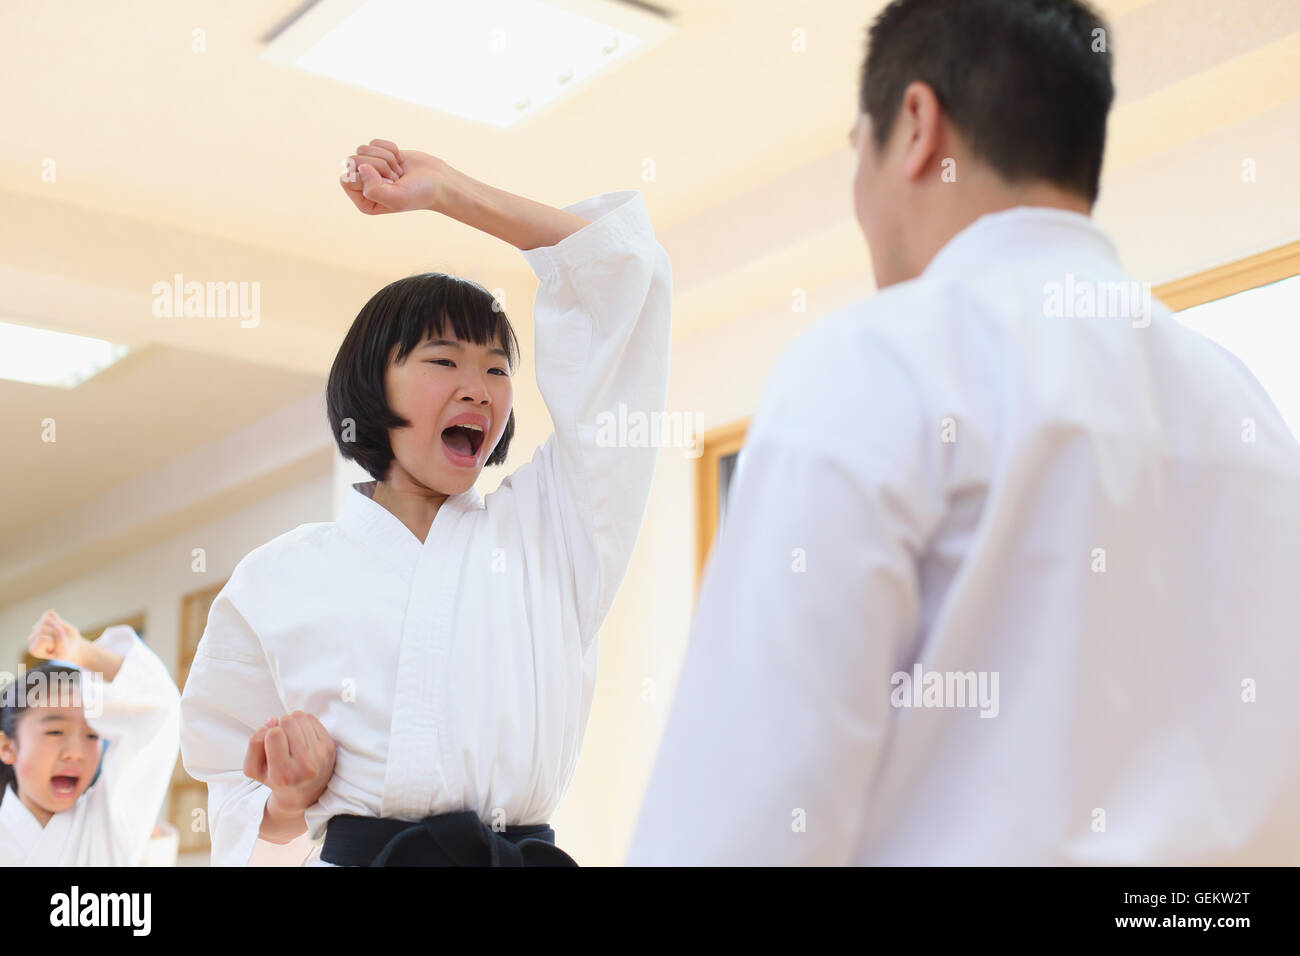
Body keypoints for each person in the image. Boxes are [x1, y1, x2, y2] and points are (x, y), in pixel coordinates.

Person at [628, 0, 1300, 865]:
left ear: (915, 126)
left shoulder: (874, 364)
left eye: (853, 153)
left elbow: (736, 827)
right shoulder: (1249, 415)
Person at [180, 139, 671, 866]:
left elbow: (623, 272)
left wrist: (450, 194)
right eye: (443, 360)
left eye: (497, 369)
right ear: (372, 389)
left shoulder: (554, 532)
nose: (479, 387)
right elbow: (235, 797)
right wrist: (288, 796)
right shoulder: (275, 580)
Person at [0, 610, 181, 865]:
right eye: (55, 731)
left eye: (92, 735)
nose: (75, 752)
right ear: (7, 747)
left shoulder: (110, 819)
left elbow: (160, 707)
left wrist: (80, 652)